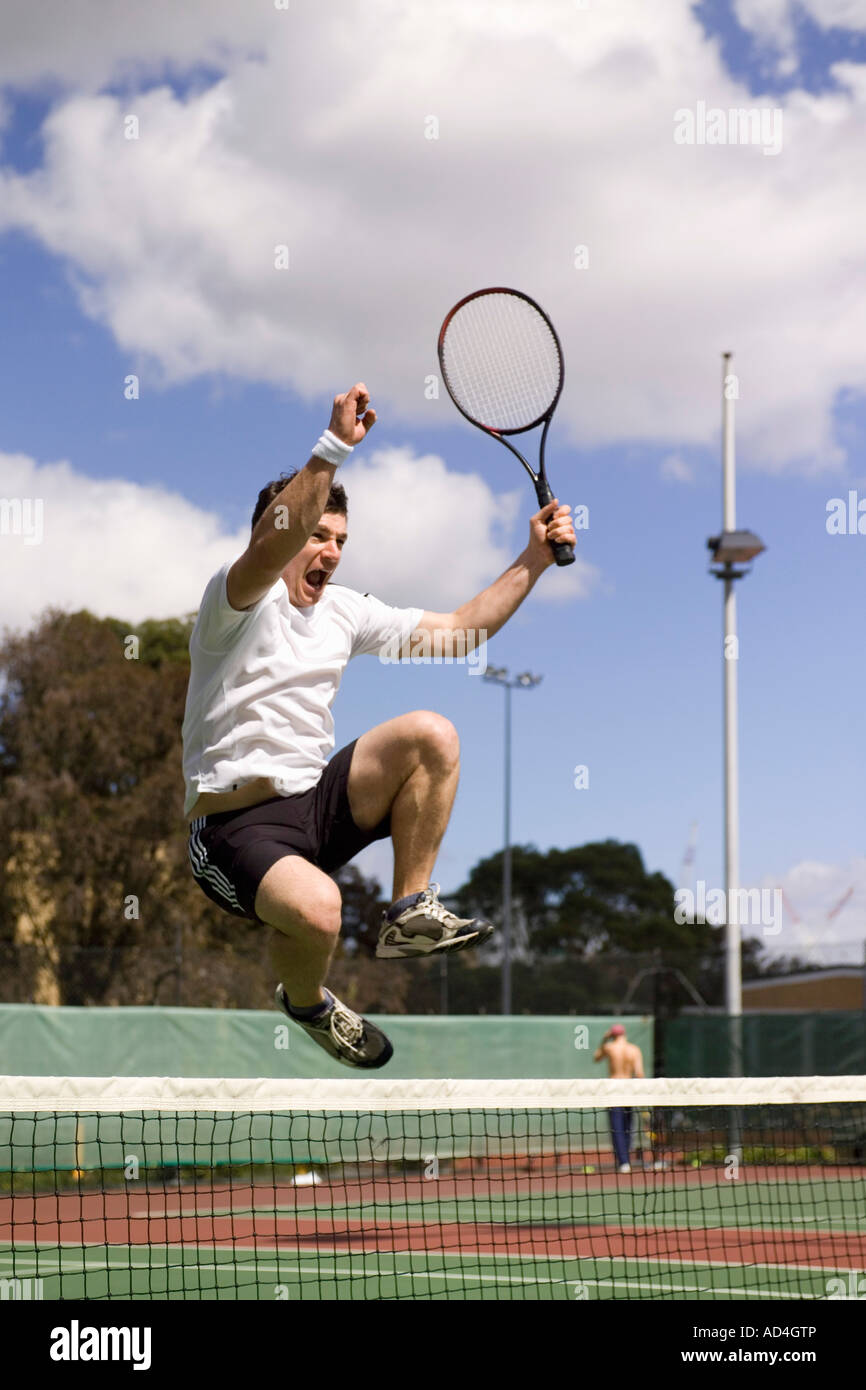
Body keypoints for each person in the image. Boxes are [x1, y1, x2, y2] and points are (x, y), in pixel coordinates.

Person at [182, 382, 576, 1069]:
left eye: (339, 540)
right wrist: (332, 449)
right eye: (315, 535)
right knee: (319, 911)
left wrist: (534, 558)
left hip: (316, 807)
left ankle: (410, 911)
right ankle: (306, 1003)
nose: (330, 552)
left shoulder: (345, 611)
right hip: (233, 831)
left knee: (433, 733)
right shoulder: (234, 600)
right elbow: (274, 541)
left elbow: (458, 634)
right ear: (277, 535)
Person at [593, 1023, 645, 1173]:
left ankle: (623, 1162)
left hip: (613, 1090)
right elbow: (640, 1074)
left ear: (612, 1035)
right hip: (629, 1090)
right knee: (628, 1127)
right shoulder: (634, 1050)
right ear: (624, 1034)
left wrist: (603, 1040)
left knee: (617, 1128)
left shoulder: (609, 1048)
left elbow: (596, 1057)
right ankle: (625, 1160)